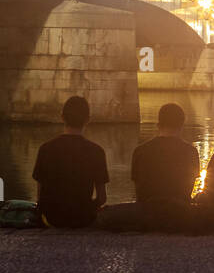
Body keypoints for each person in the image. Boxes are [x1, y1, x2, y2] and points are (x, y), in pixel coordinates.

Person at [32, 96, 108, 228]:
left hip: (52, 218)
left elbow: (41, 197)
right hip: (83, 218)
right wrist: (88, 208)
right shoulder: (97, 151)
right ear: (87, 119)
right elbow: (102, 198)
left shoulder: (45, 149)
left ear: (62, 117)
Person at [125, 102, 201, 231]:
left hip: (148, 213)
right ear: (182, 125)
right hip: (180, 214)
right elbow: (188, 188)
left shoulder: (140, 150)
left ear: (158, 124)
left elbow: (138, 189)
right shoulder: (191, 152)